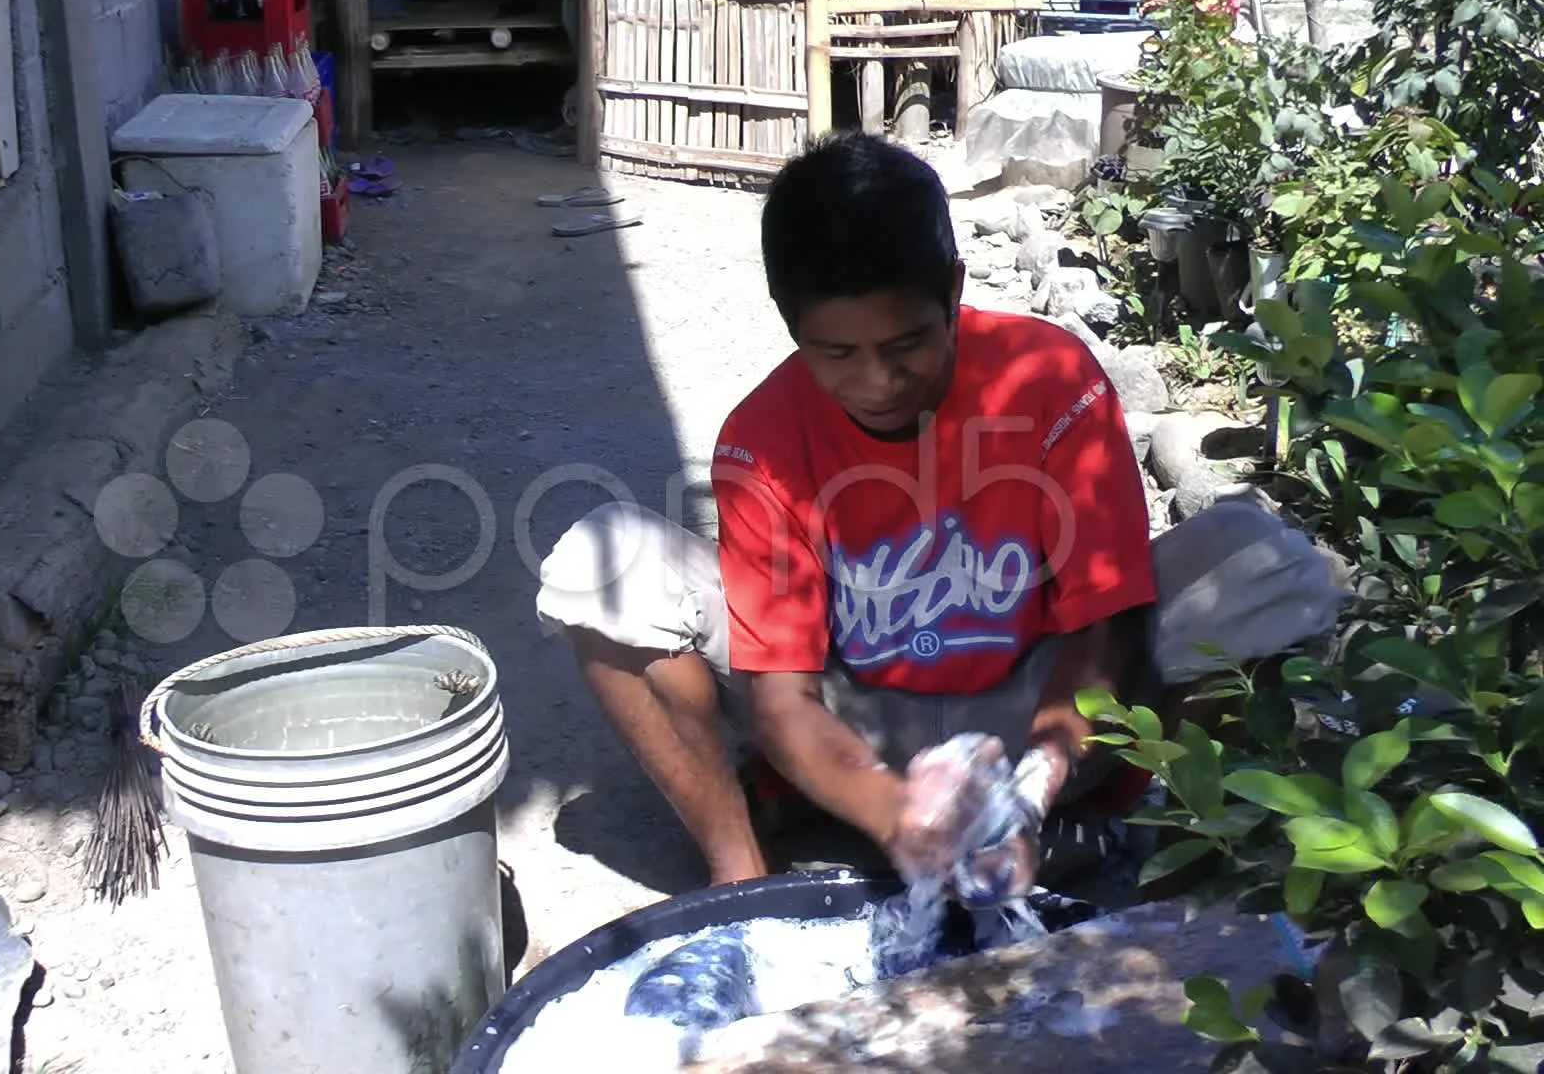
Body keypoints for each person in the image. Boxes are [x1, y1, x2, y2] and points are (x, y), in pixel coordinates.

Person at [534, 131, 1349, 903]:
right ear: (788, 319)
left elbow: (1108, 626)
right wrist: (900, 817)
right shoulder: (760, 438)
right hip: (854, 716)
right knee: (601, 567)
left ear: (954, 289)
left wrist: (1032, 786)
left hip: (1025, 716)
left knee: (1264, 561)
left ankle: (1146, 851)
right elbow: (783, 703)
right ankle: (742, 871)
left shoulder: (1050, 381)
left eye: (907, 344)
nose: (878, 382)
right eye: (837, 353)